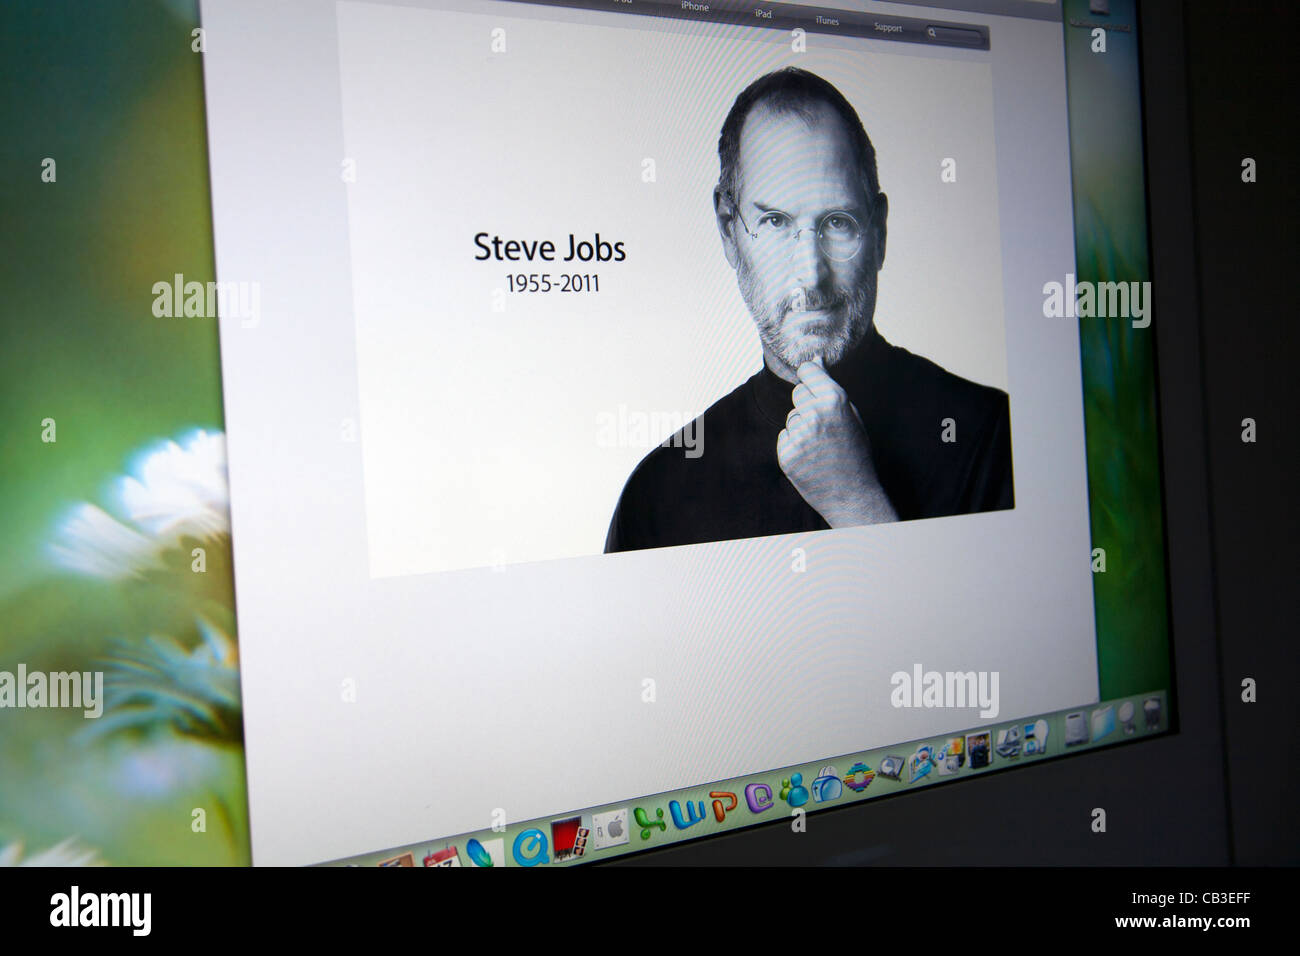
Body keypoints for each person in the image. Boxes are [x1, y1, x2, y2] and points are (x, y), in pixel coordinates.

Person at [605, 67, 1013, 554]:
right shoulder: (659, 492)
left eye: (838, 222)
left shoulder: (993, 437)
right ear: (728, 232)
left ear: (879, 233)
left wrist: (857, 504)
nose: (811, 275)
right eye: (775, 222)